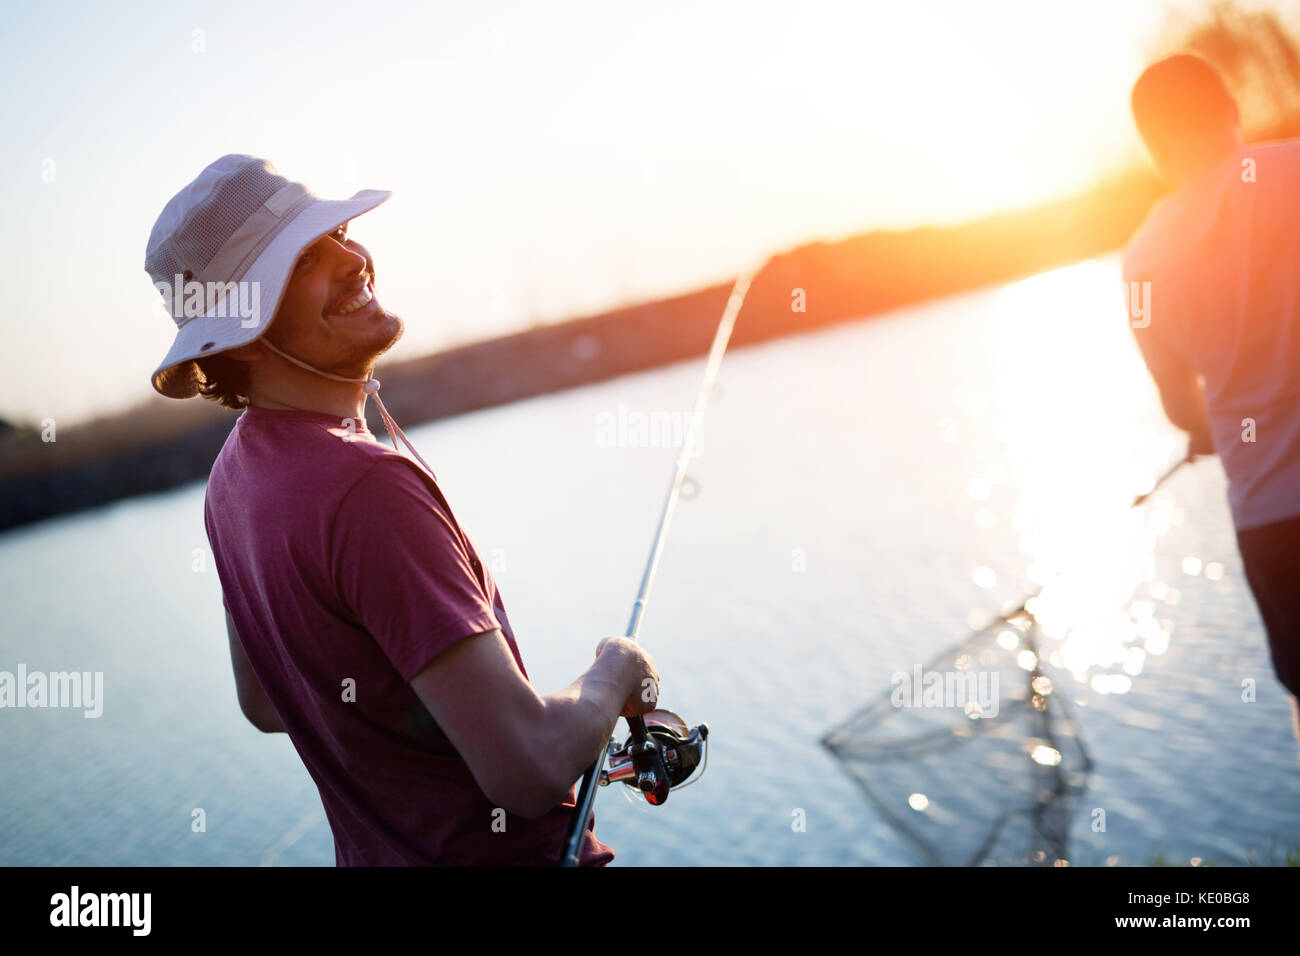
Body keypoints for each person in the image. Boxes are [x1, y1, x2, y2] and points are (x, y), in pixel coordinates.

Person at [144, 154, 659, 864]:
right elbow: (528, 770)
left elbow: (266, 703)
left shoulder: (234, 480)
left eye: (341, 232)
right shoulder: (364, 488)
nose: (353, 259)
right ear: (246, 332)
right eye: (302, 261)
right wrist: (619, 670)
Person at [1124, 54, 1300, 748]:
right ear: (1228, 104)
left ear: (1154, 146)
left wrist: (1208, 427)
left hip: (1269, 522)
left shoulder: (1141, 260)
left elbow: (1179, 406)